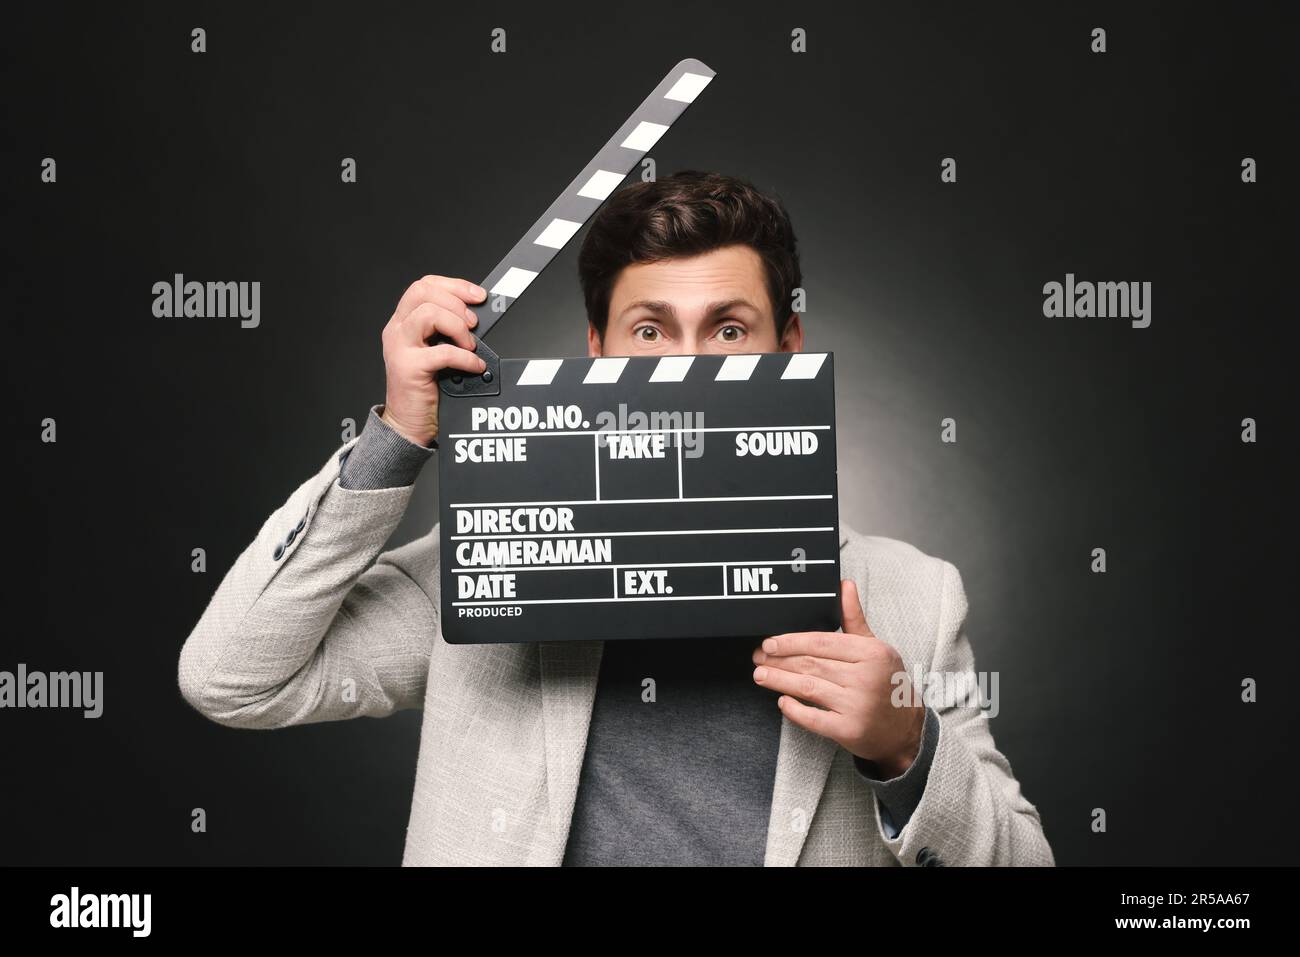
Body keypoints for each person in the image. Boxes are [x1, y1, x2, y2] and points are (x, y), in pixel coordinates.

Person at [177, 170, 1054, 866]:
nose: (688, 366)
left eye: (727, 329)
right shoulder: (495, 558)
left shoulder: (913, 596)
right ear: (596, 351)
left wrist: (906, 746)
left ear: (789, 347)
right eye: (648, 331)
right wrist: (398, 435)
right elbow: (232, 677)